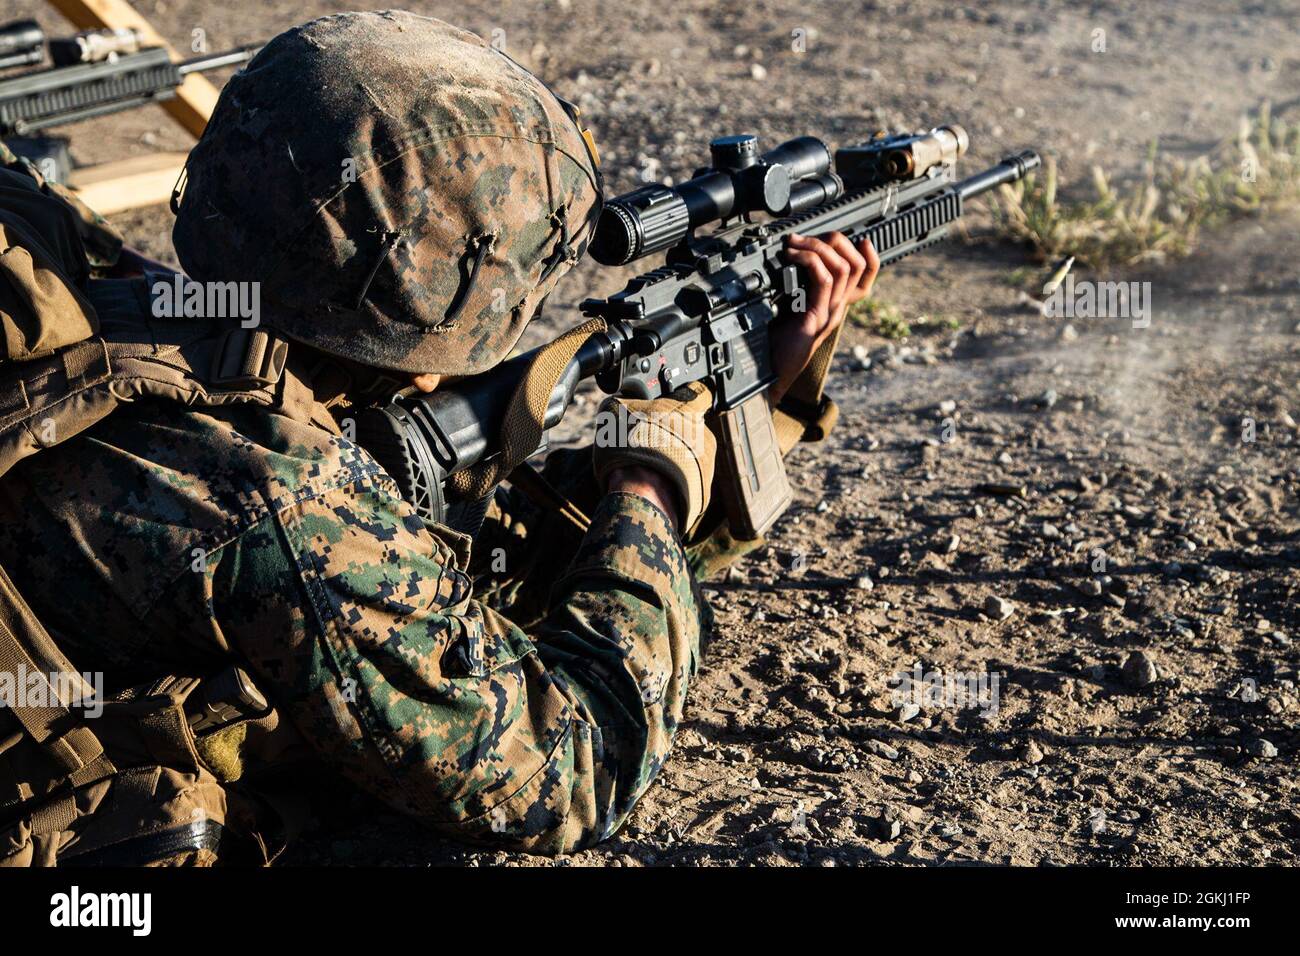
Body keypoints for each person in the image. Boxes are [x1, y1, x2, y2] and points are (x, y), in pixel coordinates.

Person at [0, 10, 876, 861]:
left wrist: (758, 386)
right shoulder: (284, 500)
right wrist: (652, 474)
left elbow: (473, 558)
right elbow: (573, 768)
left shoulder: (77, 276)